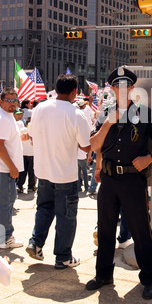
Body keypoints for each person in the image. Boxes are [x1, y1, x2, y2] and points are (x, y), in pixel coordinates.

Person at [86, 66, 152, 300]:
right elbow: (94, 146)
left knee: (140, 229)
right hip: (110, 180)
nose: (121, 89)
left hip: (133, 179)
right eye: (116, 86)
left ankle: (149, 278)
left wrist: (149, 158)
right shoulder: (105, 113)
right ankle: (103, 275)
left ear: (132, 88)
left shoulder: (146, 112)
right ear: (111, 88)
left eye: (126, 85)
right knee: (105, 229)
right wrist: (108, 124)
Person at [26, 74, 91, 269]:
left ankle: (36, 243)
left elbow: (31, 134)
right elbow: (86, 146)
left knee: (44, 208)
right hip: (65, 174)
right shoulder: (75, 113)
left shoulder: (39, 108)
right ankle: (63, 256)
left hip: (43, 171)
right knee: (66, 216)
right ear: (73, 92)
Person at [0, 88, 24, 249]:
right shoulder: (3, 118)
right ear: (1, 101)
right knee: (6, 205)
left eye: (14, 100)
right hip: (5, 170)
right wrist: (12, 167)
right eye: (8, 100)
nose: (12, 104)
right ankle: (5, 237)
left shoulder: (9, 117)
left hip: (6, 170)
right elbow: (0, 146)